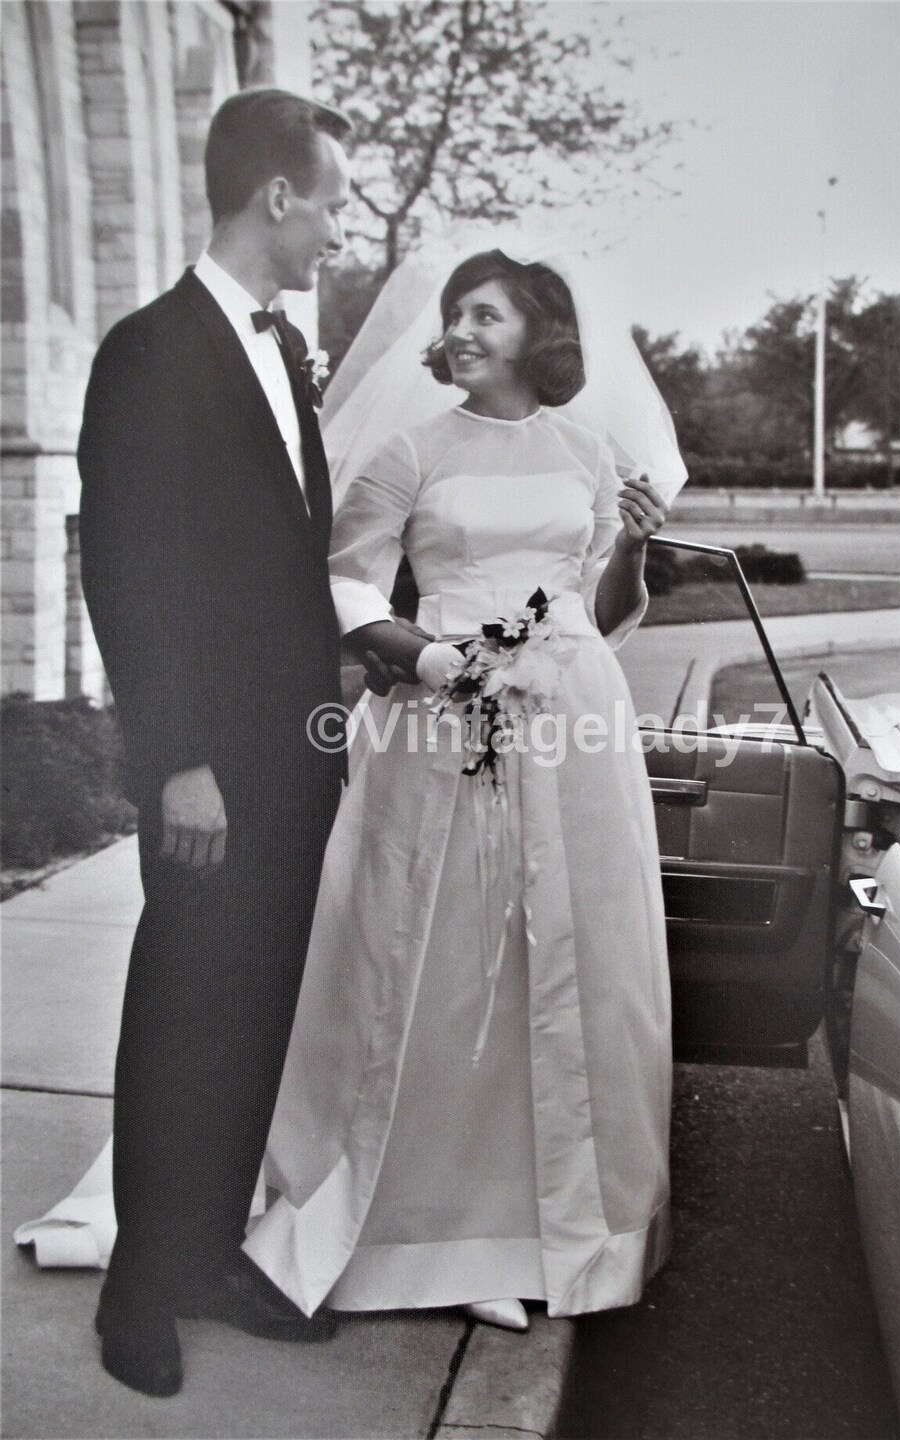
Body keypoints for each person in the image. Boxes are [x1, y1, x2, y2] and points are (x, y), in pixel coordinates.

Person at [244, 245, 681, 1329]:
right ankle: (437, 1230)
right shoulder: (409, 450)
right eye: (457, 316)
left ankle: (556, 1228)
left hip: (573, 719)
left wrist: (631, 540)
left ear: (539, 332)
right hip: (440, 719)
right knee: (441, 964)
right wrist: (431, 658)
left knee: (569, 962)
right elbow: (346, 580)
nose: (466, 331)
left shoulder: (590, 450)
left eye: (487, 314)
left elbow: (607, 604)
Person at [76, 88, 353, 1397]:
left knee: (253, 1018)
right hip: (209, 772)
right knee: (182, 1013)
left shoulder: (288, 352)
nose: (339, 236)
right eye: (334, 206)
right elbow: (127, 570)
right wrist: (177, 757)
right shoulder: (147, 349)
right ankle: (141, 1284)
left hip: (297, 758)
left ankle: (207, 1255)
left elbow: (286, 564)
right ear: (279, 196)